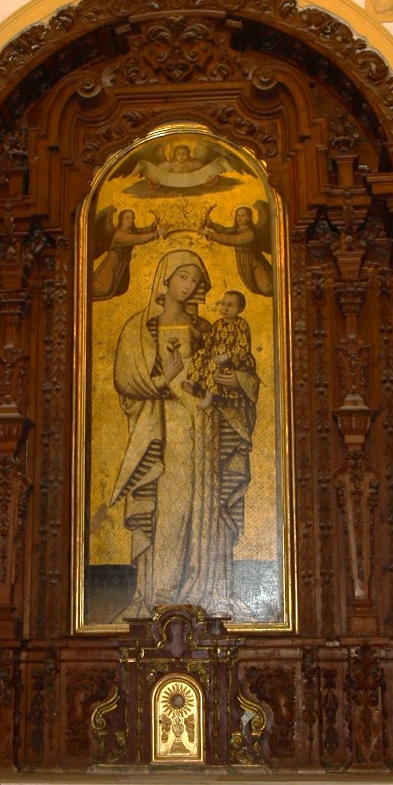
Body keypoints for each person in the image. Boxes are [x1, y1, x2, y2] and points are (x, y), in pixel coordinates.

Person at [109, 249, 257, 619]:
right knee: (168, 504)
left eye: (195, 279)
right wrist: (165, 376)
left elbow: (244, 371)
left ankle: (205, 589)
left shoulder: (208, 329)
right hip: (164, 431)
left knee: (202, 501)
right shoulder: (140, 329)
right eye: (183, 277)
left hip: (204, 428)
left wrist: (233, 381)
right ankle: (158, 591)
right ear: (165, 278)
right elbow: (127, 381)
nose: (189, 286)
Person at [184, 290, 254, 404]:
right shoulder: (218, 323)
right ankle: (192, 383)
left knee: (213, 363)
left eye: (230, 305)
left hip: (232, 361)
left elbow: (243, 347)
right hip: (217, 355)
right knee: (200, 354)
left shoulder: (241, 325)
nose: (225, 308)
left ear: (239, 309)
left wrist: (227, 355)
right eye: (223, 304)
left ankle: (209, 397)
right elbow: (211, 339)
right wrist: (200, 336)